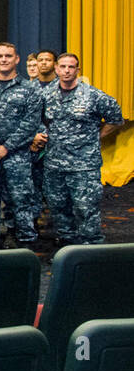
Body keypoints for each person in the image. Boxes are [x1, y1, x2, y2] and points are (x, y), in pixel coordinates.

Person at [34, 54, 124, 246]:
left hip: (84, 165)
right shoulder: (45, 95)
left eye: (71, 67)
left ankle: (91, 249)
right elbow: (35, 119)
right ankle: (66, 249)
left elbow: (115, 118)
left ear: (77, 70)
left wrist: (96, 137)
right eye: (63, 67)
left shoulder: (93, 95)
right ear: (57, 69)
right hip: (55, 164)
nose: (67, 71)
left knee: (86, 208)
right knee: (58, 208)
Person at [0, 43, 44, 248]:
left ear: (17, 59)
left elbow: (30, 124)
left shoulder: (29, 90)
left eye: (8, 56)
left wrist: (7, 147)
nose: (3, 60)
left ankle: (20, 236)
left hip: (17, 154)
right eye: (0, 56)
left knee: (20, 198)